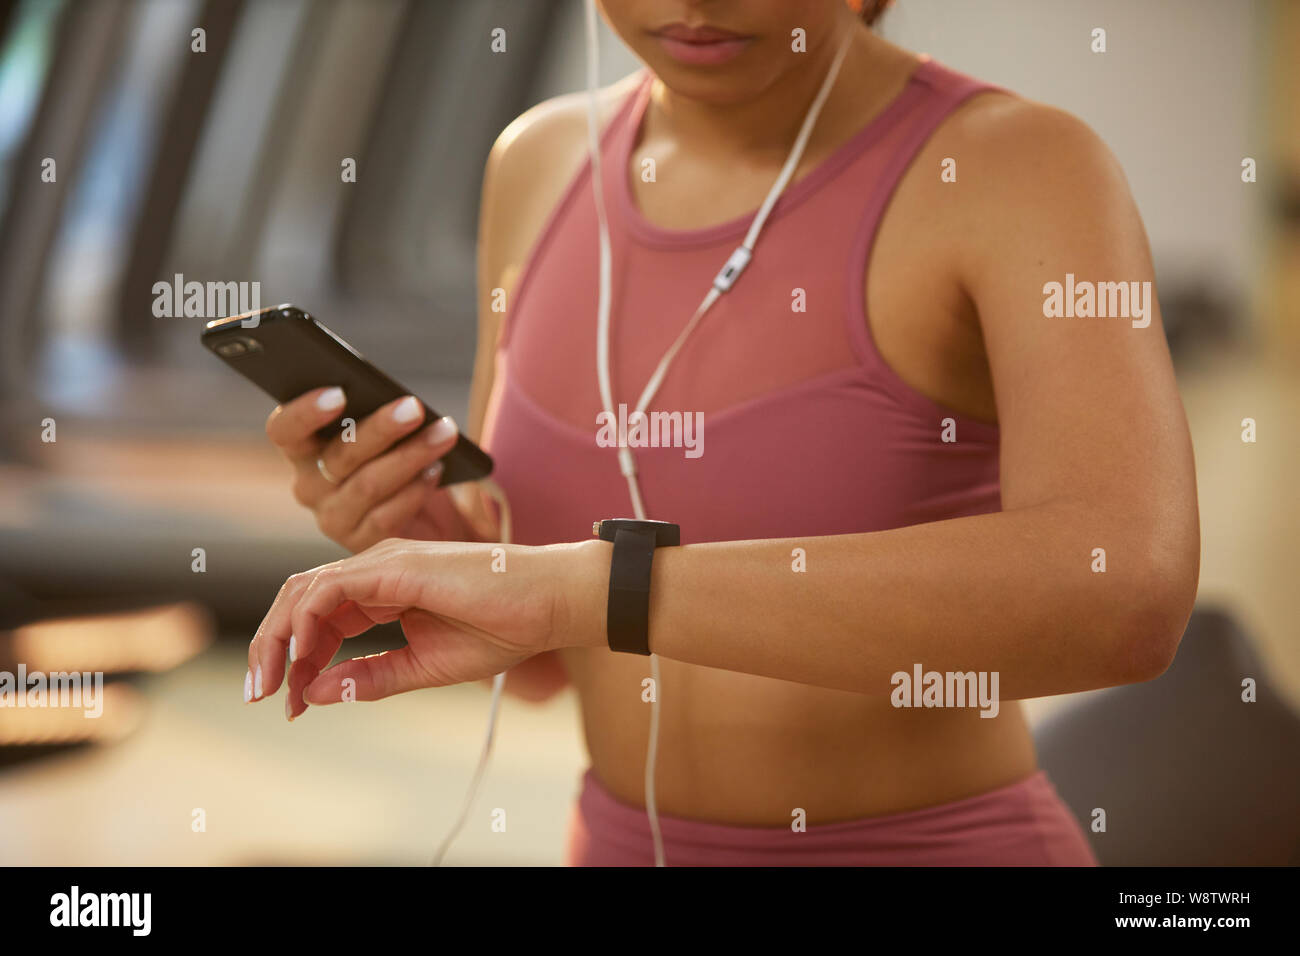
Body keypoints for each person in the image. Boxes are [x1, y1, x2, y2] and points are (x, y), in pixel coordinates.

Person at [245, 0, 1199, 865]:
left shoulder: (1018, 165)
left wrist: (593, 587)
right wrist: (415, 534)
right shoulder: (538, 162)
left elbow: (1126, 597)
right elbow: (546, 667)